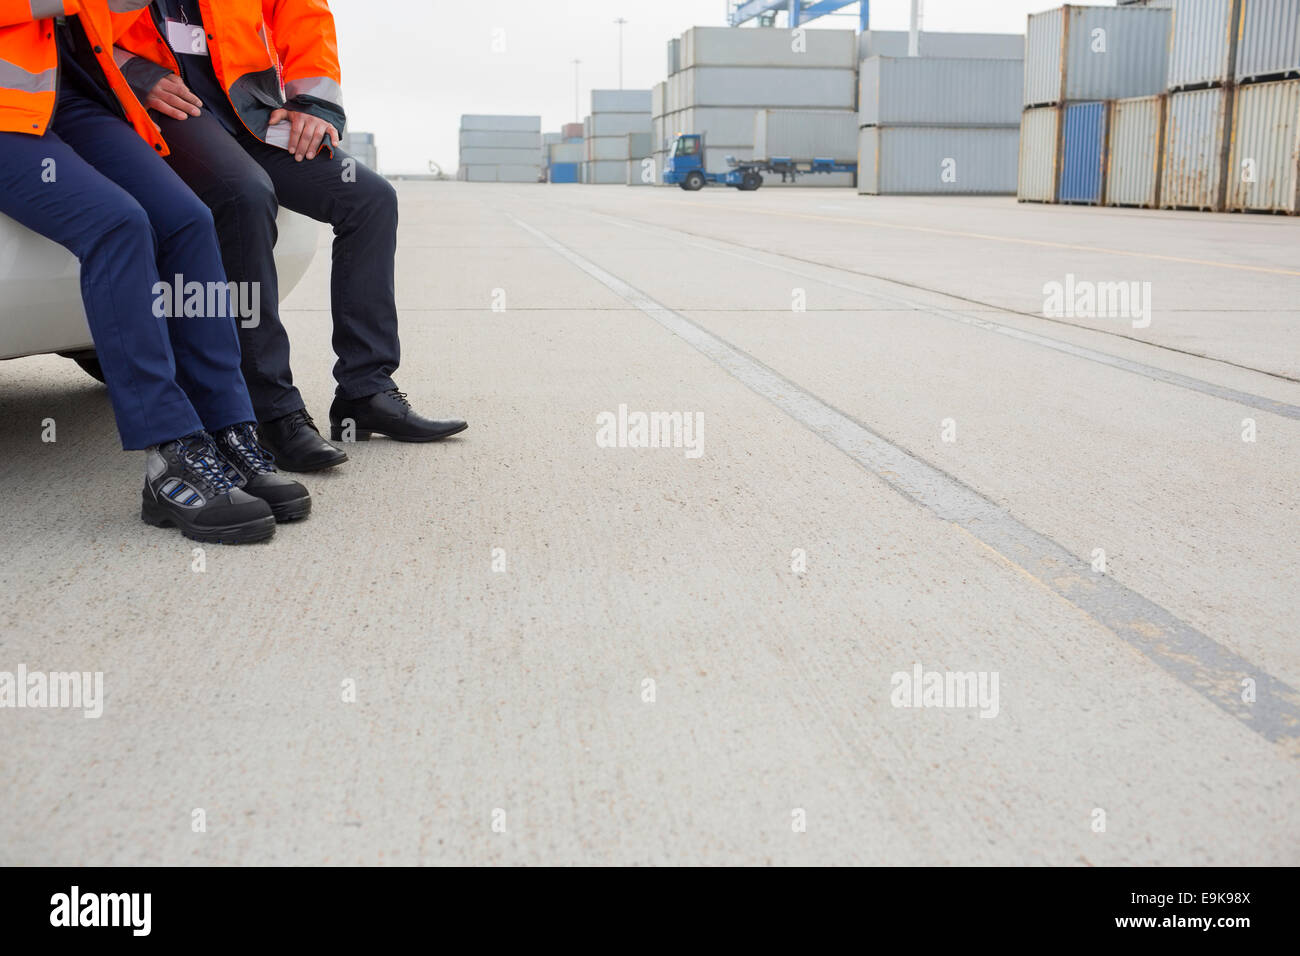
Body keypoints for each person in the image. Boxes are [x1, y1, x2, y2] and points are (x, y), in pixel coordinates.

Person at [114, 0, 468, 473]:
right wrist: (131, 73)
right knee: (244, 195)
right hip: (166, 108)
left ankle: (366, 390)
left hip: (250, 110)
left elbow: (303, 16)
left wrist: (313, 105)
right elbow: (78, 21)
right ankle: (269, 410)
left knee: (371, 198)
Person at [0, 0, 308, 543]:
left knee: (188, 219)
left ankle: (227, 427)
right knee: (115, 224)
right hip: (6, 108)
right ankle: (170, 453)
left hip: (72, 88)